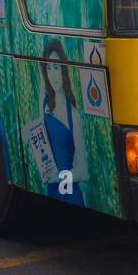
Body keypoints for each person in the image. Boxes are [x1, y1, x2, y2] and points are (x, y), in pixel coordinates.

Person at [40, 39, 87, 206]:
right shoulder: (45, 104)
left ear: (63, 70)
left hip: (68, 192)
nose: (53, 75)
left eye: (57, 67)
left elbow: (83, 171)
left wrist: (58, 177)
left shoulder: (73, 115)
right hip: (51, 188)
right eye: (49, 68)